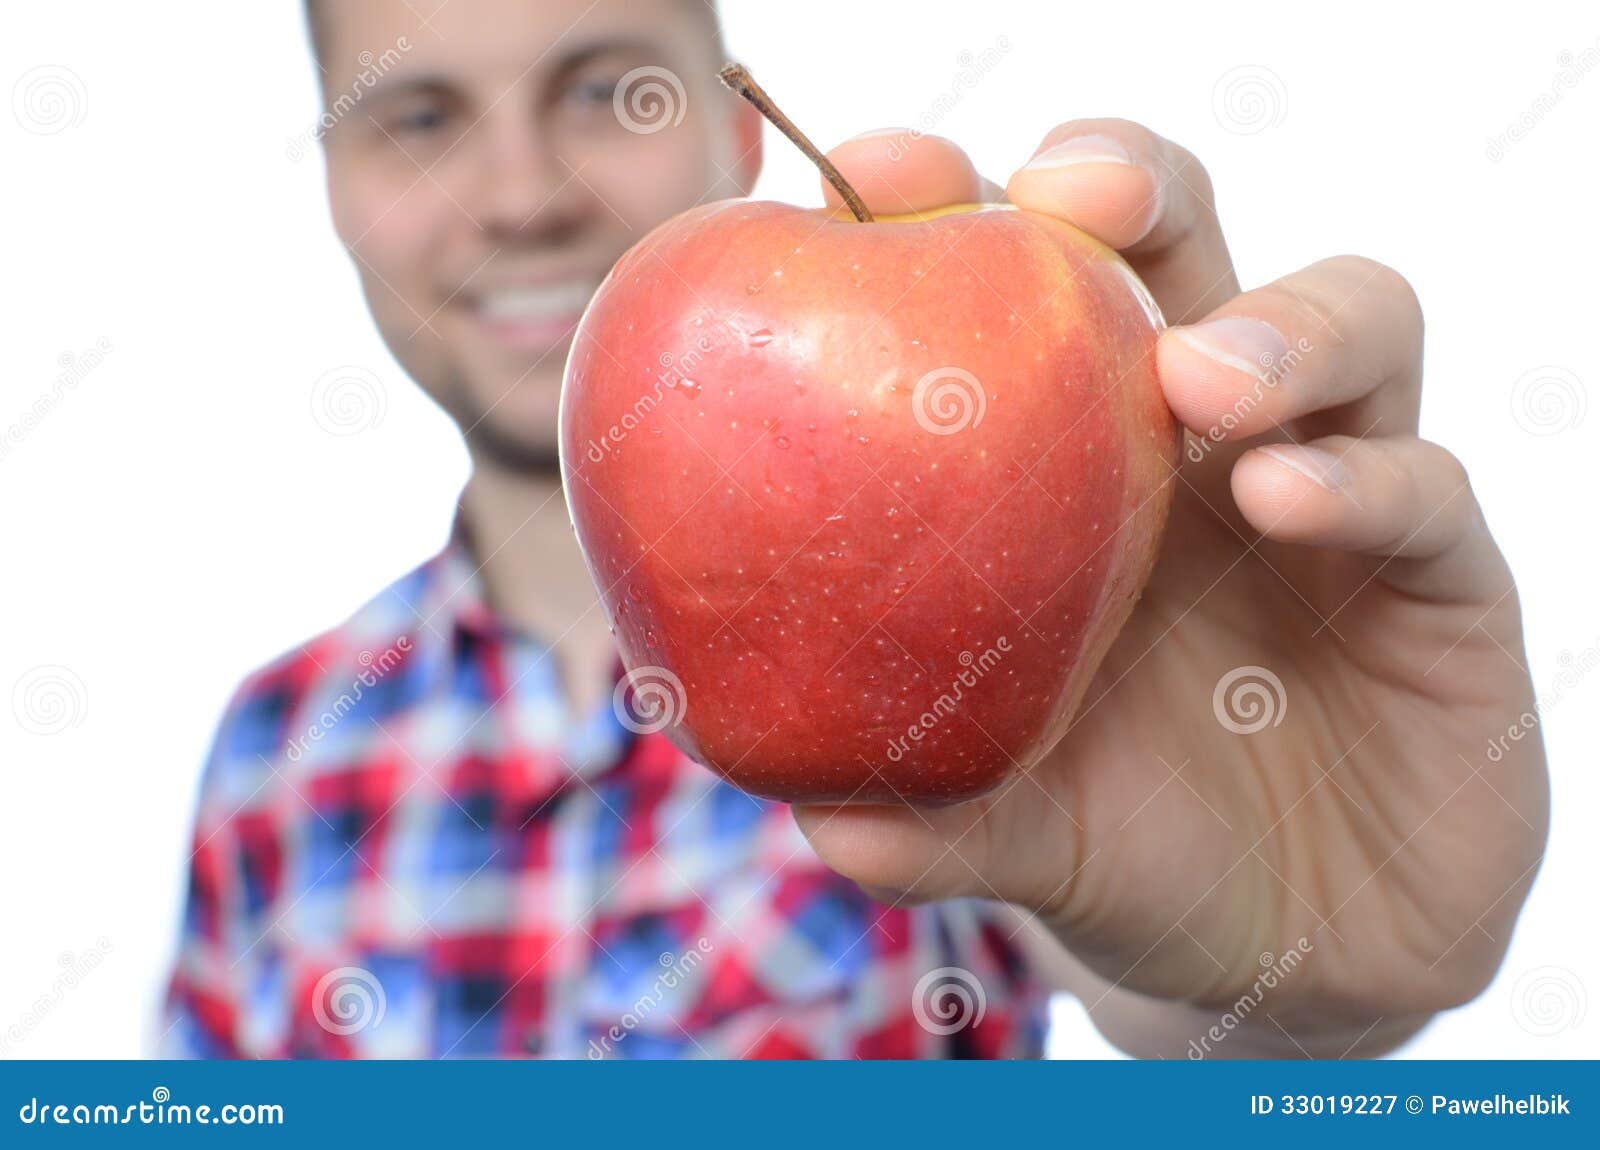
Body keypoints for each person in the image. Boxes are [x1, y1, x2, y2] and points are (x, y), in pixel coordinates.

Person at [162, 0, 1549, 1059]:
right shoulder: (277, 755)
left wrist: (1297, 972)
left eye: (606, 88)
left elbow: (1173, 1002)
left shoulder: (1003, 725)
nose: (523, 194)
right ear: (334, 177)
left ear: (743, 131)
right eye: (417, 118)